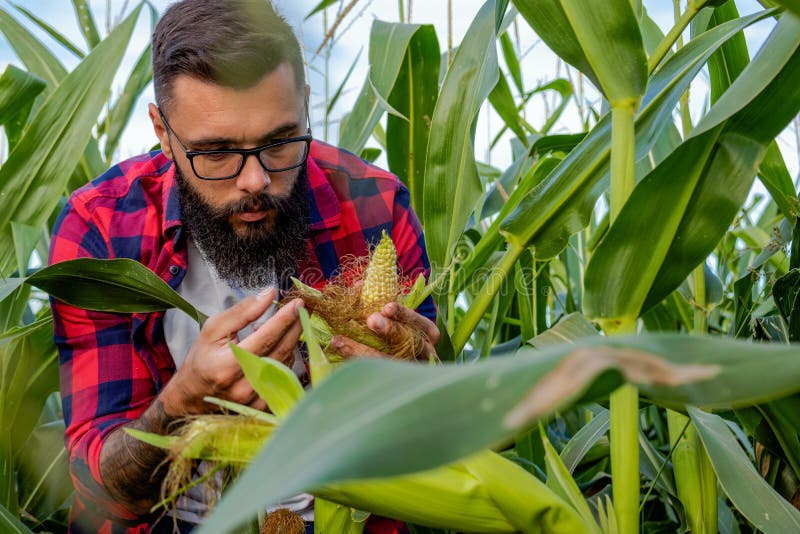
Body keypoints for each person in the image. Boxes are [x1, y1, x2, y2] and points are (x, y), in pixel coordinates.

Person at [48, 1, 438, 532]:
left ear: (304, 104)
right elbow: (103, 490)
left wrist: (419, 376)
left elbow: (436, 417)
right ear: (163, 132)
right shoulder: (102, 230)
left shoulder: (376, 207)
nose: (255, 180)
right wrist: (185, 399)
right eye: (216, 153)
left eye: (279, 142)